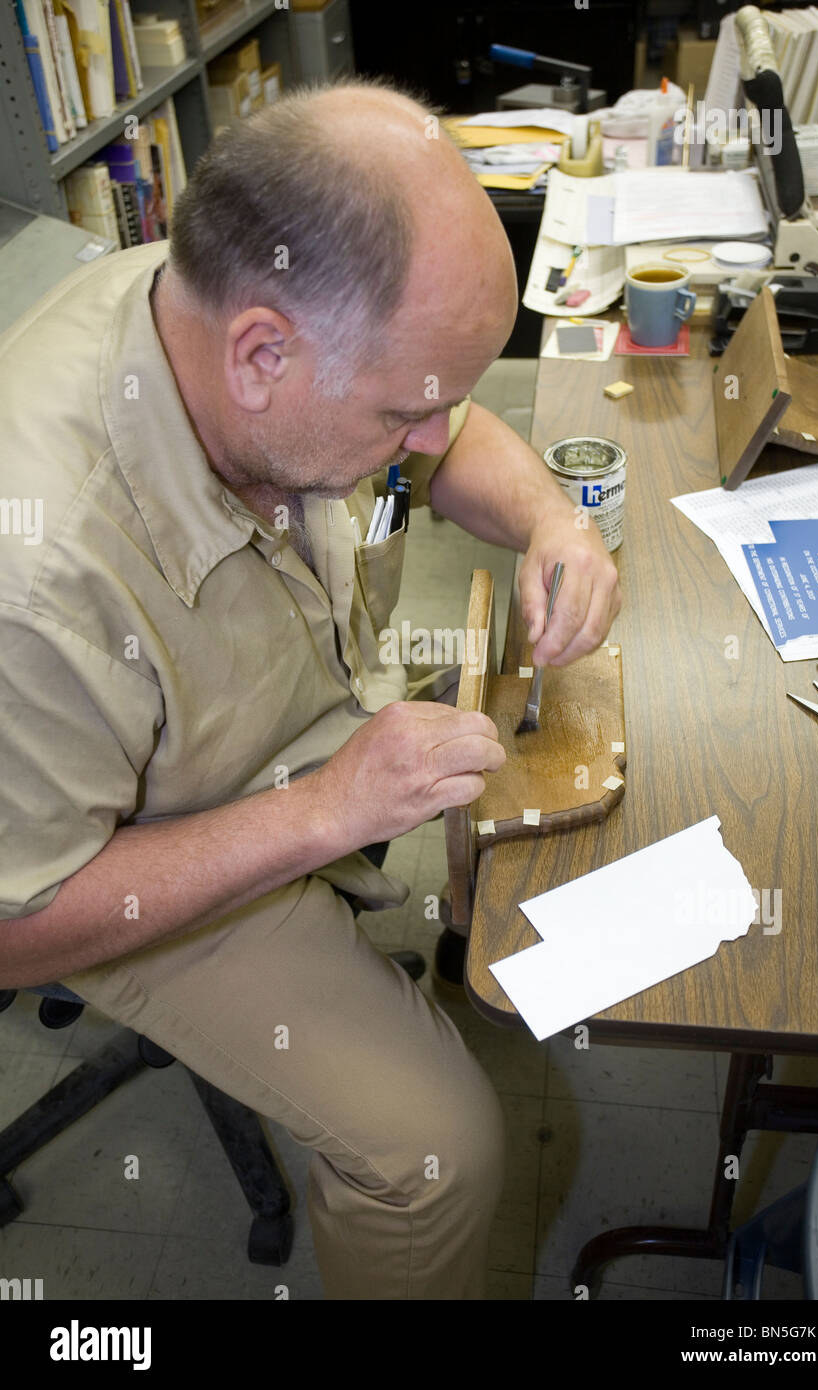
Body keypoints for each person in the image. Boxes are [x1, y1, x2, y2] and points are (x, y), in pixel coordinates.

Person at [0, 78, 620, 1298]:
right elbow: (19, 921)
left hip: (299, 723)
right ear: (264, 353)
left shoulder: (247, 341)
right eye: (405, 411)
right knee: (438, 1150)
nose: (436, 438)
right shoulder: (37, 587)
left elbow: (442, 440)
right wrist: (329, 811)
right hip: (137, 854)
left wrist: (552, 515)